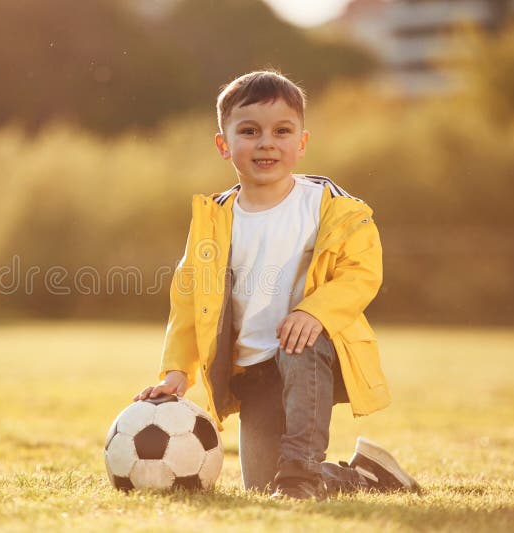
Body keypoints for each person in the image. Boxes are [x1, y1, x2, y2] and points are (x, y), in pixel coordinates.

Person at [133, 70, 419, 500]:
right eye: (249, 131)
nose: (267, 142)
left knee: (296, 352)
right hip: (254, 373)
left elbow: (361, 272)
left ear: (302, 143)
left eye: (282, 131)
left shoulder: (328, 206)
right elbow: (190, 299)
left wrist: (314, 311)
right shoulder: (215, 219)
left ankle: (302, 474)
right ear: (223, 144)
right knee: (263, 484)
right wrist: (178, 370)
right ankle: (367, 476)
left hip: (315, 352)